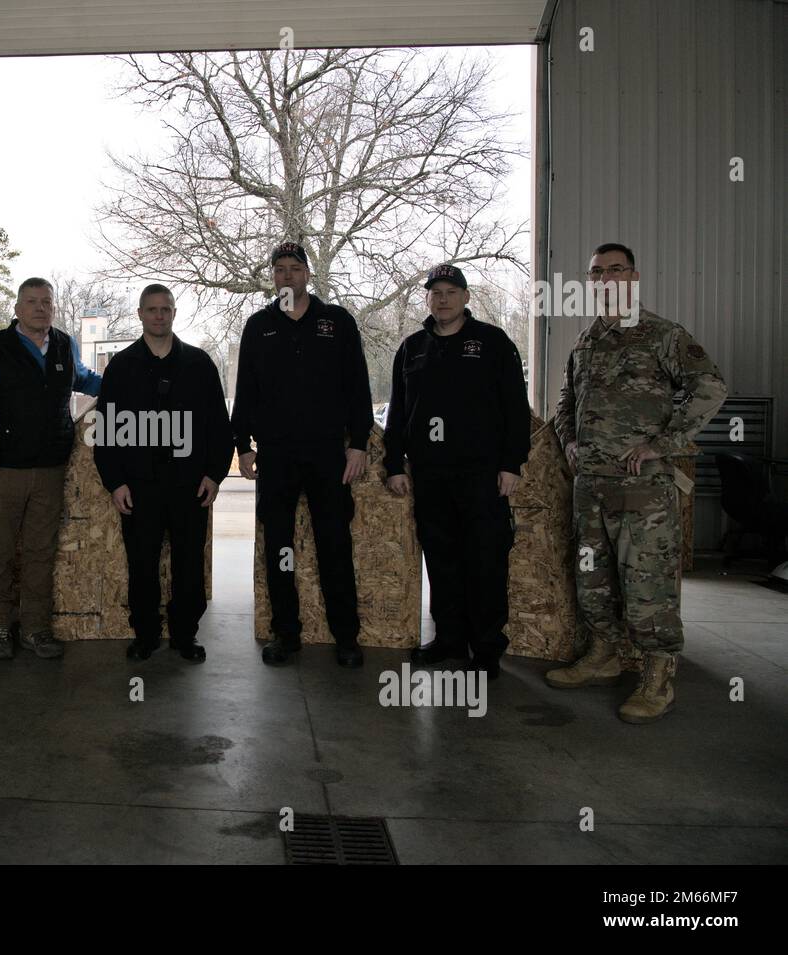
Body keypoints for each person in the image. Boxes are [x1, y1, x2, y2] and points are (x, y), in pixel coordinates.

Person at [548, 243, 727, 723]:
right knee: (594, 581)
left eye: (614, 269)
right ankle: (604, 655)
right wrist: (568, 441)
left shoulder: (662, 335)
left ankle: (658, 678)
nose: (605, 278)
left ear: (633, 276)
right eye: (596, 272)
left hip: (642, 488)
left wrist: (663, 444)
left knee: (648, 586)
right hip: (591, 486)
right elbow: (567, 398)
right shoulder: (587, 340)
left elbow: (711, 387)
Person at [383, 263, 530, 680]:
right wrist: (395, 464)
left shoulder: (492, 343)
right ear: (427, 299)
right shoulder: (412, 348)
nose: (442, 298)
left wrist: (510, 463)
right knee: (442, 560)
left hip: (481, 475)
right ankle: (449, 638)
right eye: (435, 293)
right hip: (430, 475)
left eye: (451, 291)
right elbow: (399, 413)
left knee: (484, 562)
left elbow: (515, 410)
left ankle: (486, 648)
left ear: (466, 297)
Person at [231, 241, 374, 668]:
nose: (288, 275)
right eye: (280, 269)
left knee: (333, 545)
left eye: (295, 268)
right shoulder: (259, 326)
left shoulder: (337, 322)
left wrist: (360, 443)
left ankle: (346, 637)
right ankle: (286, 634)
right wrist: (243, 447)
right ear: (273, 276)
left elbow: (357, 387)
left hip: (327, 455)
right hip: (276, 456)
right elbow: (246, 391)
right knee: (281, 547)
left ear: (308, 274)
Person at [0, 277, 103, 660]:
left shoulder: (63, 344)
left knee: (41, 553)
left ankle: (36, 630)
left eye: (47, 302)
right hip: (4, 471)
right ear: (18, 309)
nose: (41, 308)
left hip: (49, 469)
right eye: (32, 302)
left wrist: (123, 383)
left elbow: (86, 380)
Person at [93, 284, 234, 662]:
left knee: (189, 564)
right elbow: (105, 431)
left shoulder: (199, 364)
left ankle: (186, 635)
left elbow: (218, 426)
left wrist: (215, 474)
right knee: (142, 564)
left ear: (174, 313)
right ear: (140, 314)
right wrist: (115, 482)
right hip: (140, 487)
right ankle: (146, 634)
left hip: (189, 485)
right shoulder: (122, 367)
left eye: (165, 309)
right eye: (152, 309)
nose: (159, 315)